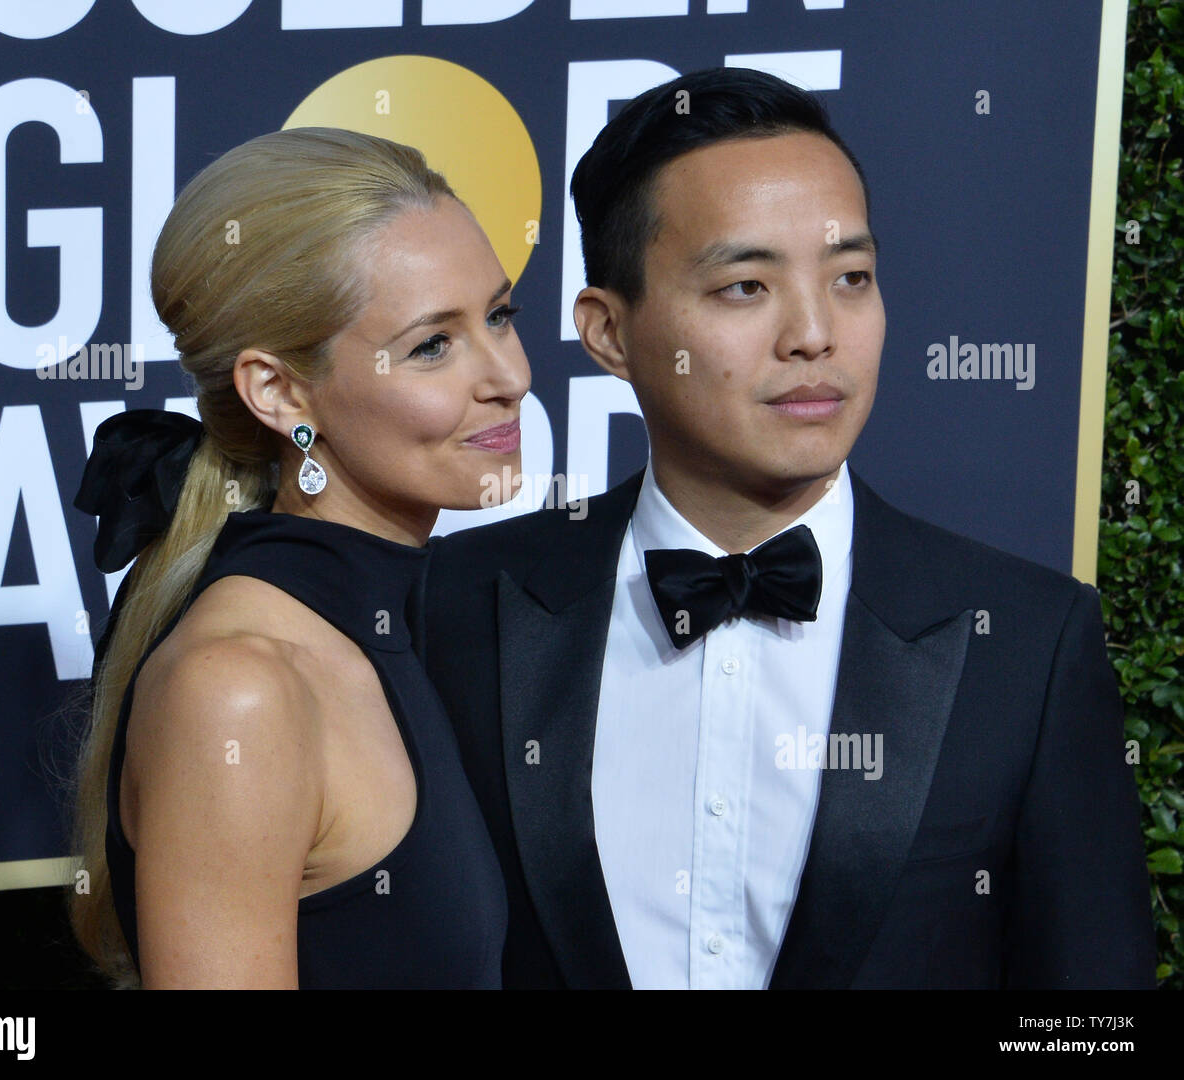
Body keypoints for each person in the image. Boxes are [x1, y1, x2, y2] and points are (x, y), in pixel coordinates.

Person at [411, 67, 1158, 989]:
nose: (815, 333)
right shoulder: (457, 608)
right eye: (745, 288)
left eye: (852, 278)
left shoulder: (1026, 641)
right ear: (608, 333)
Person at [68, 127, 528, 988]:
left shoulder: (415, 625)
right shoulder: (240, 693)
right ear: (279, 393)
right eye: (434, 344)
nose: (508, 375)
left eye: (500, 317)